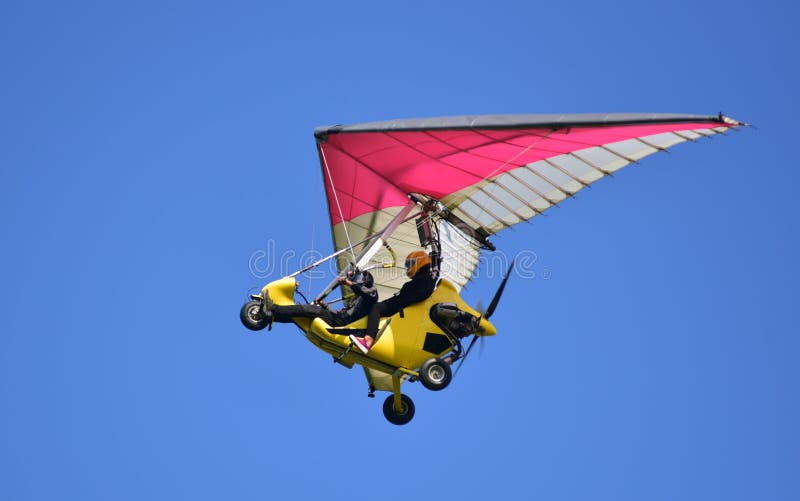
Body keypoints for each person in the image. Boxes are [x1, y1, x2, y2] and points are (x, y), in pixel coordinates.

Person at [349, 251, 437, 354]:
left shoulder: (426, 280)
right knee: (375, 308)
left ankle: (368, 341)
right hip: (401, 305)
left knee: (376, 308)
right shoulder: (425, 278)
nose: (408, 268)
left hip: (401, 306)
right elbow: (434, 274)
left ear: (419, 262)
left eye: (410, 264)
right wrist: (434, 262)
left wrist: (434, 261)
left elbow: (430, 282)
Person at [269, 270, 377, 327]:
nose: (359, 280)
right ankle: (272, 316)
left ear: (366, 282)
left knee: (311, 309)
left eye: (362, 278)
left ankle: (273, 308)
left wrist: (347, 282)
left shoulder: (371, 297)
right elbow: (337, 313)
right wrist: (324, 304)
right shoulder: (357, 300)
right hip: (338, 320)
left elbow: (363, 291)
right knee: (303, 316)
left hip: (341, 324)